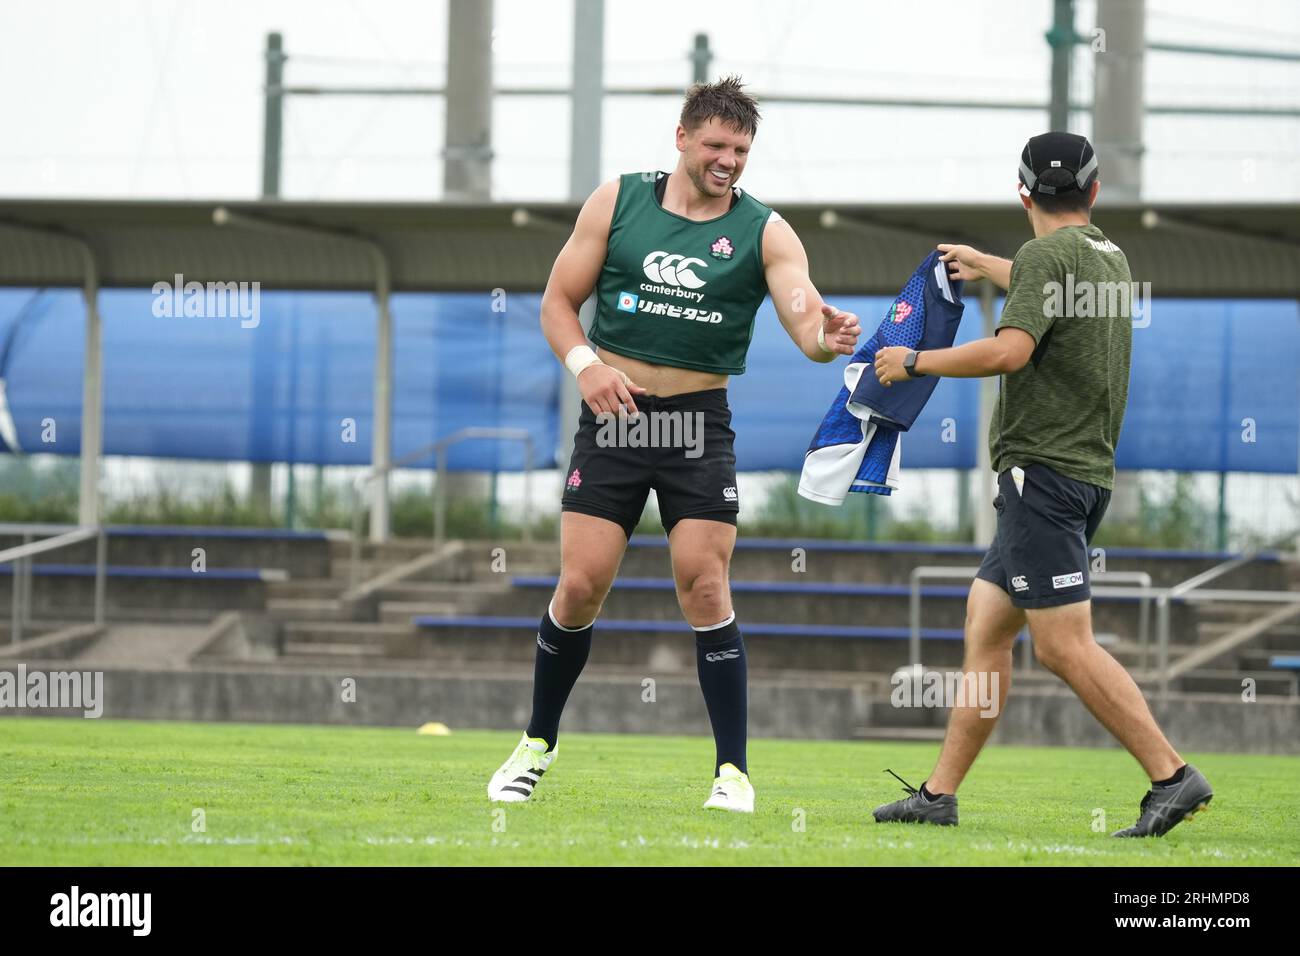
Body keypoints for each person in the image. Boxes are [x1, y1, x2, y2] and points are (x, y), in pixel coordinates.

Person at [487, 76, 861, 813]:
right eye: (717, 145)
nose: (729, 160)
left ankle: (732, 774)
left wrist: (829, 336)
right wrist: (588, 368)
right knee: (581, 584)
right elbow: (558, 304)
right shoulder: (617, 201)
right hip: (617, 419)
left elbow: (805, 320)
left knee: (705, 582)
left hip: (697, 425)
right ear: (683, 138)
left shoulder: (765, 230)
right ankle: (536, 744)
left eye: (742, 149)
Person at [871, 131, 1212, 837]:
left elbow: (1010, 350)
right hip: (1083, 474)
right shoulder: (1107, 256)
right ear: (1092, 192)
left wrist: (915, 360)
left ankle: (1172, 776)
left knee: (1062, 646)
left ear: (1021, 192)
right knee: (988, 624)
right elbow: (1042, 282)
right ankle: (939, 794)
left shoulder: (1041, 256)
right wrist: (987, 264)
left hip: (1042, 475)